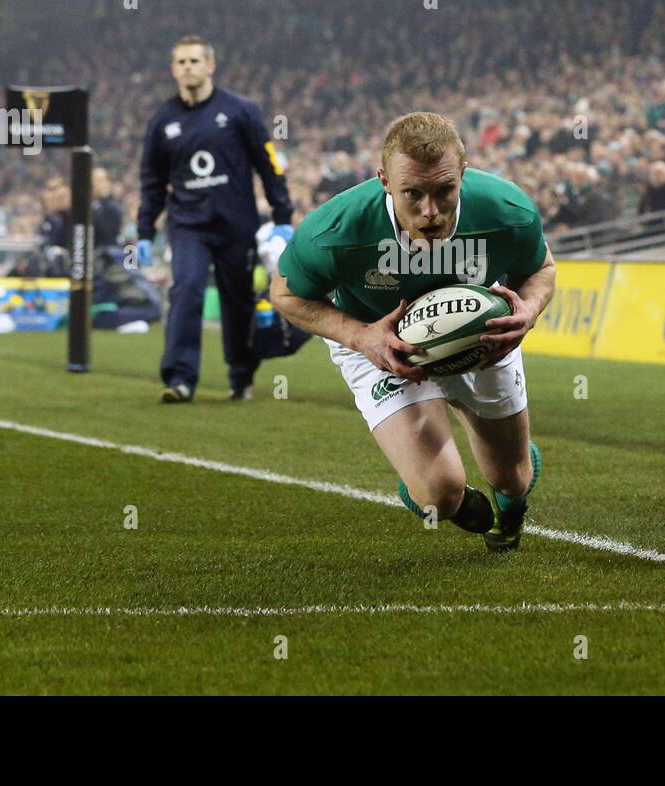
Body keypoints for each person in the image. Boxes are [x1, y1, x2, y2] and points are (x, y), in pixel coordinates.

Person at [270, 112, 555, 552]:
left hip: (481, 337)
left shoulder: (507, 209)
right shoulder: (335, 231)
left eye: (445, 192)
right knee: (439, 496)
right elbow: (286, 295)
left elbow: (541, 269)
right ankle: (443, 498)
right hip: (374, 339)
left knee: (513, 478)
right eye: (413, 194)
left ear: (463, 173)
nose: (430, 212)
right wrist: (361, 337)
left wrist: (529, 310)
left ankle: (513, 502)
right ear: (384, 180)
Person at [136, 35, 295, 402]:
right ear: (173, 69)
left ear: (211, 66)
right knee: (186, 289)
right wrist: (145, 230)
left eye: (195, 61)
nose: (188, 67)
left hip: (236, 224)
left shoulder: (241, 111)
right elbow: (152, 181)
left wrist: (282, 214)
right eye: (181, 62)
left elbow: (268, 165)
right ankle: (179, 379)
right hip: (188, 224)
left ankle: (241, 375)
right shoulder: (162, 121)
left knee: (237, 301)